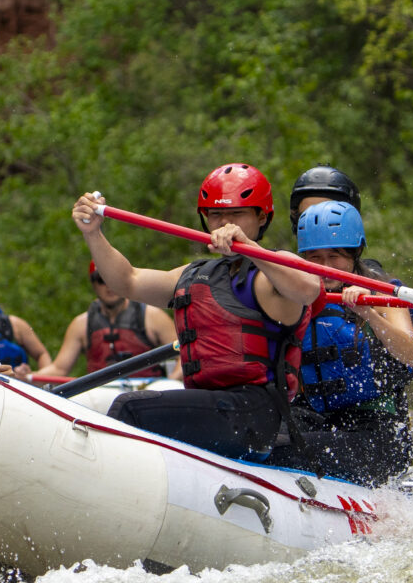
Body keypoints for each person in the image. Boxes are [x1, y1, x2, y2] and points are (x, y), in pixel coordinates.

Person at [71, 164, 323, 464]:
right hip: (210, 405)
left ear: (262, 217)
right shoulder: (194, 274)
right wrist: (93, 233)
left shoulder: (273, 270)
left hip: (255, 413)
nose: (225, 223)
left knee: (129, 408)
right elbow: (128, 281)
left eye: (237, 214)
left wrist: (250, 247)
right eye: (216, 215)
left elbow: (309, 289)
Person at [289, 201, 413, 484]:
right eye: (315, 258)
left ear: (354, 254)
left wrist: (370, 314)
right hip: (319, 420)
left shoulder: (381, 293)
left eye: (334, 257)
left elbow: (411, 355)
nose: (325, 267)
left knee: (290, 451)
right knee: (267, 442)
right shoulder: (297, 295)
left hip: (376, 429)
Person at [33, 262, 179, 381]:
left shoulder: (153, 316)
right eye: (102, 279)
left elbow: (184, 355)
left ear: (124, 280)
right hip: (101, 392)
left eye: (114, 279)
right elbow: (59, 369)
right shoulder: (81, 324)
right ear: (93, 284)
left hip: (147, 391)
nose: (109, 285)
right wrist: (26, 378)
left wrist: (172, 382)